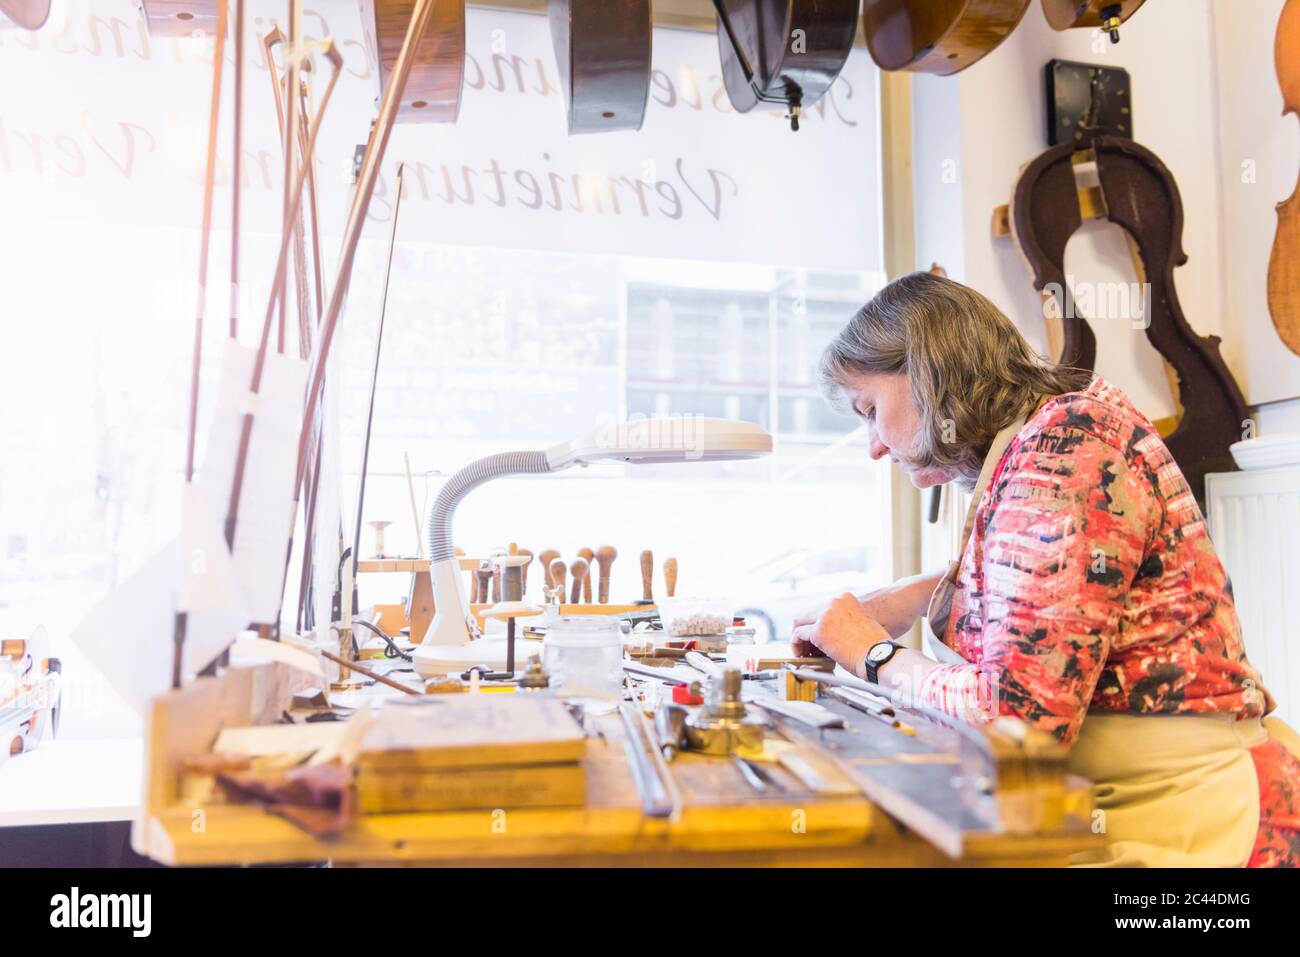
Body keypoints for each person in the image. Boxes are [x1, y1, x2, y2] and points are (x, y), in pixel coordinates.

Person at [794, 270, 1300, 867]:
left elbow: (1019, 718)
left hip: (1190, 815)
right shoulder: (1047, 437)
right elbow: (1060, 582)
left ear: (925, 372)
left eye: (871, 410)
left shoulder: (1068, 450)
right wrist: (921, 591)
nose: (874, 445)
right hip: (1130, 796)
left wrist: (870, 652)